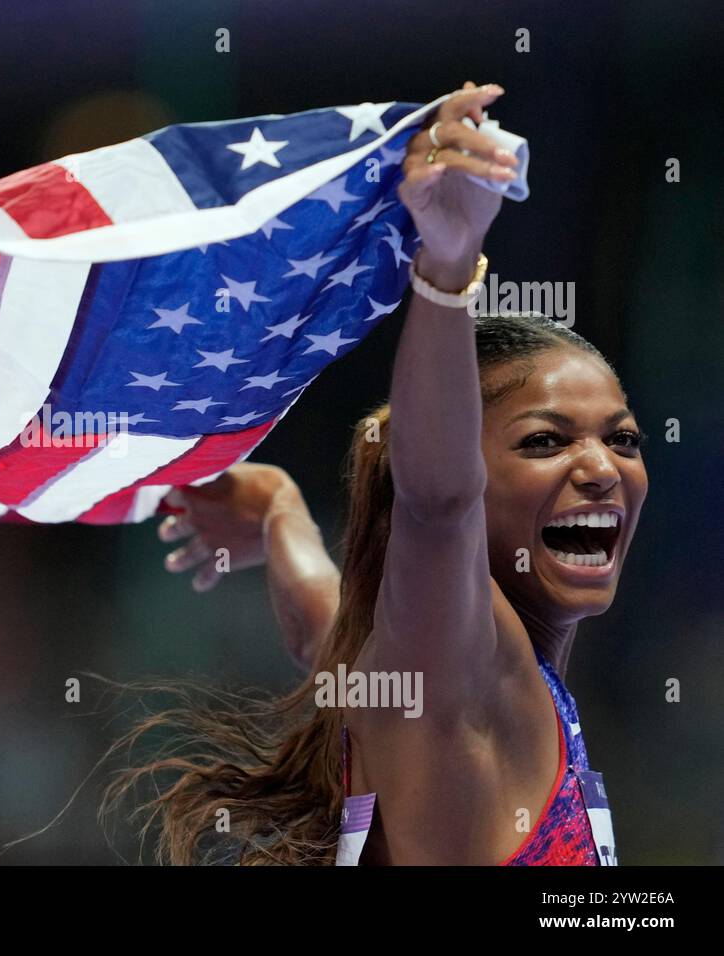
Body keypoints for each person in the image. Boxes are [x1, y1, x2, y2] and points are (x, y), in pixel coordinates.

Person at [103, 82, 649, 865]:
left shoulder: (418, 667)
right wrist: (448, 264)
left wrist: (281, 514)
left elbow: (323, 627)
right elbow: (436, 505)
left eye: (623, 439)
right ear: (465, 460)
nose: (601, 467)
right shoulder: (471, 662)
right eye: (544, 442)